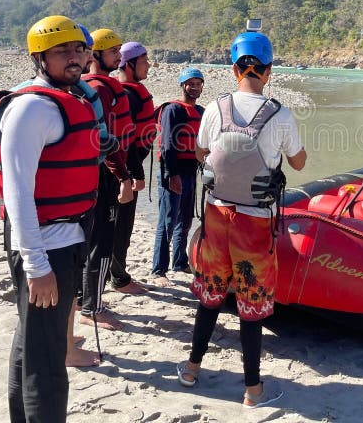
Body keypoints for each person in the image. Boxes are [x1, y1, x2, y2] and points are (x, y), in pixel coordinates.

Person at [177, 30, 307, 409]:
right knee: (252, 305)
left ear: (234, 69)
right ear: (268, 71)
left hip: (217, 216)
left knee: (210, 297)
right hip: (255, 224)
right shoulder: (280, 114)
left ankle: (190, 368)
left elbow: (202, 152)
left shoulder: (215, 109)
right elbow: (298, 162)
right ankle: (253, 391)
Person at [0, 15, 100, 422]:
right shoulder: (33, 107)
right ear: (39, 58)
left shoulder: (67, 98)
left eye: (79, 49)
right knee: (48, 362)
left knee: (31, 345)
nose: (74, 58)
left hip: (62, 240)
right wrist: (37, 264)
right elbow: (16, 193)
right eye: (61, 51)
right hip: (44, 246)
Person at [79, 27, 136, 330]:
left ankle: (83, 299)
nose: (119, 57)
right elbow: (104, 139)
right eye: (114, 52)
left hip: (95, 172)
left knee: (89, 239)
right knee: (101, 241)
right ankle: (93, 307)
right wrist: (123, 176)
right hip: (104, 173)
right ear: (97, 54)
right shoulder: (99, 88)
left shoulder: (89, 86)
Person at [151, 67, 205, 287]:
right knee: (167, 220)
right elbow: (168, 145)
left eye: (198, 83)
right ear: (183, 85)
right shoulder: (173, 110)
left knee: (185, 220)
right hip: (172, 171)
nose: (195, 87)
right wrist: (172, 175)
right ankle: (158, 269)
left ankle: (179, 261)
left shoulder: (201, 111)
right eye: (191, 83)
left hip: (191, 170)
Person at [111, 41, 156, 294]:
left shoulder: (132, 92)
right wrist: (133, 175)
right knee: (121, 225)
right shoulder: (127, 95)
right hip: (125, 171)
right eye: (144, 61)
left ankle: (117, 273)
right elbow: (124, 140)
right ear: (128, 64)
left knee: (121, 224)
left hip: (127, 168)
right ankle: (118, 278)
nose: (148, 65)